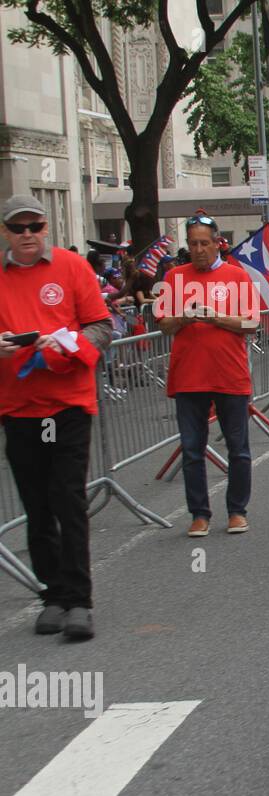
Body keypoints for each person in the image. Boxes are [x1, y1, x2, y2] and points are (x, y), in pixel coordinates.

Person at [0, 195, 111, 639]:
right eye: (18, 227)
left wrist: (65, 342)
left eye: (35, 226)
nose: (28, 234)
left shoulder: (72, 267)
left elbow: (101, 326)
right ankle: (53, 594)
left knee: (68, 499)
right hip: (19, 409)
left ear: (46, 227)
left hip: (67, 406)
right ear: (6, 232)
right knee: (37, 505)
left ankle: (80, 600)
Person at [153, 214, 260, 536]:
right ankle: (199, 514)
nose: (198, 250)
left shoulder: (237, 276)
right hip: (189, 377)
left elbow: (251, 323)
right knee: (191, 449)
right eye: (193, 244)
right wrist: (183, 318)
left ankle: (237, 511)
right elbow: (164, 325)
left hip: (229, 375)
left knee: (238, 448)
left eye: (204, 243)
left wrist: (216, 318)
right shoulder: (174, 277)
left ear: (217, 244)